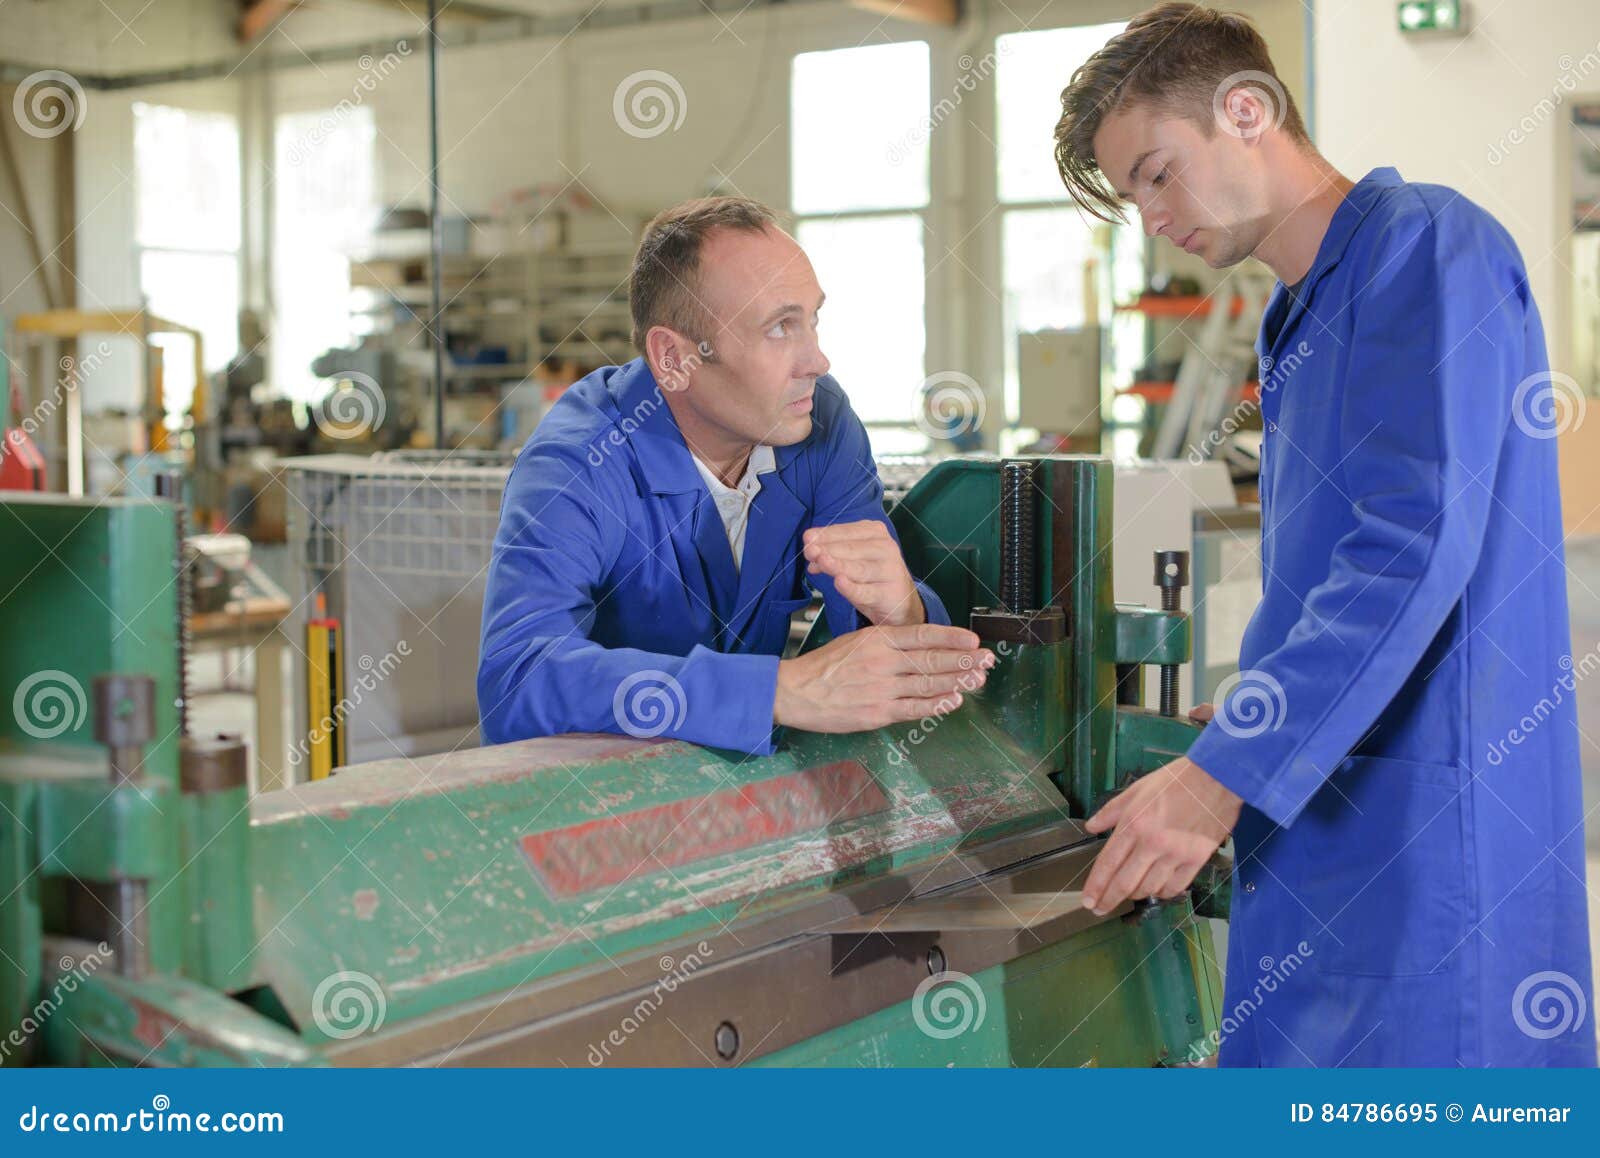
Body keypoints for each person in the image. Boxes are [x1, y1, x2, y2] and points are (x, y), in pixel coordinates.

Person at [1054, 2, 1594, 1066]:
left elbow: (1408, 543)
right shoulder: (1299, 311)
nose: (1152, 217)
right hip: (1334, 807)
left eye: (1157, 172)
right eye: (1132, 196)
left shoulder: (1426, 247)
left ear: (1247, 109)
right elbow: (1329, 573)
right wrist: (1251, 702)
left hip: (1431, 832)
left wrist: (1218, 778)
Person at [478, 196, 994, 756]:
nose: (817, 360)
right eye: (779, 328)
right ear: (674, 358)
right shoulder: (579, 463)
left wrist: (901, 610)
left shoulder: (820, 422)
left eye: (812, 320)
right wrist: (777, 690)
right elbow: (516, 681)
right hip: (595, 801)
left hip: (737, 798)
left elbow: (869, 647)